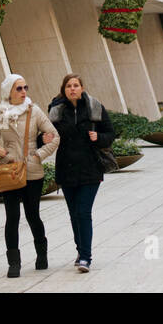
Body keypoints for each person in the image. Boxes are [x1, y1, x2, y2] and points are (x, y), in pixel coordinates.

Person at [0, 73, 59, 277]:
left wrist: (38, 155)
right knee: (12, 217)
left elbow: (54, 137)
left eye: (26, 87)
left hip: (32, 172)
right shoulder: (1, 114)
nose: (24, 92)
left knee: (33, 215)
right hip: (10, 171)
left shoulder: (34, 111)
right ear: (9, 91)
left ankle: (41, 255)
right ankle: (14, 263)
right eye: (19, 88)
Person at [48, 73, 115, 272]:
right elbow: (45, 134)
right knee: (73, 214)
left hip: (90, 169)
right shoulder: (56, 110)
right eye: (69, 85)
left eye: (76, 85)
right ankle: (80, 251)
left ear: (82, 88)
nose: (73, 88)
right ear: (64, 89)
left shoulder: (95, 107)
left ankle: (86, 257)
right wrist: (45, 139)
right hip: (66, 169)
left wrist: (98, 137)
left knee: (83, 212)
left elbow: (110, 133)